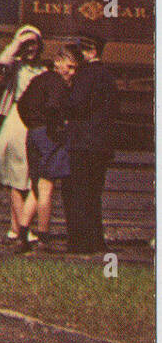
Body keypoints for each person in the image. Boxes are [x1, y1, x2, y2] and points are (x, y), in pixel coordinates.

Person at [0, 25, 45, 241]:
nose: (31, 48)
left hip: (33, 121)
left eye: (35, 44)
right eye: (27, 44)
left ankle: (18, 226)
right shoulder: (16, 67)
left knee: (28, 176)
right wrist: (18, 43)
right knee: (17, 175)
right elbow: (3, 60)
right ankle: (20, 227)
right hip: (16, 121)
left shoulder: (43, 69)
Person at [12, 45, 78, 253]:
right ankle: (44, 236)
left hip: (33, 133)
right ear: (59, 62)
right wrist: (58, 125)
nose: (72, 72)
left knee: (36, 186)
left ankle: (22, 234)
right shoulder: (58, 83)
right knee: (47, 188)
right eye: (70, 66)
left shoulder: (40, 78)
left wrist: (33, 124)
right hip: (49, 135)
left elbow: (21, 104)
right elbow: (53, 106)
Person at [60, 32, 117, 254]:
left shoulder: (86, 75)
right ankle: (96, 241)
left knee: (76, 193)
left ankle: (79, 243)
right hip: (101, 144)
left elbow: (76, 105)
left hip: (82, 143)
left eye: (81, 51)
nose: (78, 56)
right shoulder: (108, 76)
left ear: (90, 51)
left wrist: (65, 88)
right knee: (93, 194)